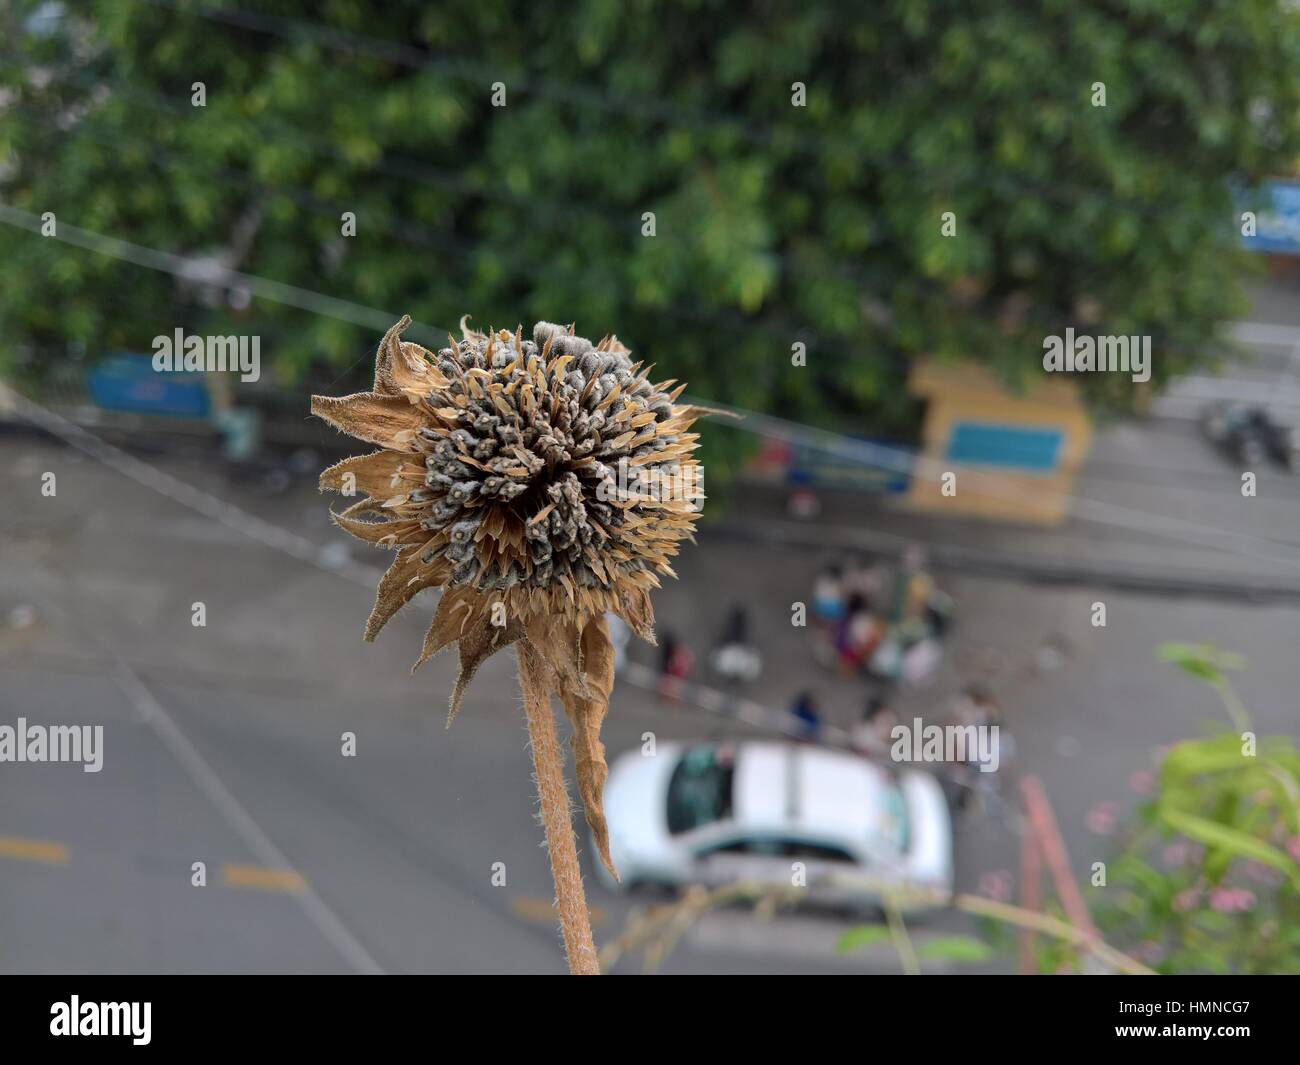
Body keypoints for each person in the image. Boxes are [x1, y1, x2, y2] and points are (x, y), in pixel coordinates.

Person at [709, 604, 762, 683]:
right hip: (734, 649)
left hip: (732, 648)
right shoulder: (730, 663)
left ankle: (738, 612)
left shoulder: (726, 663)